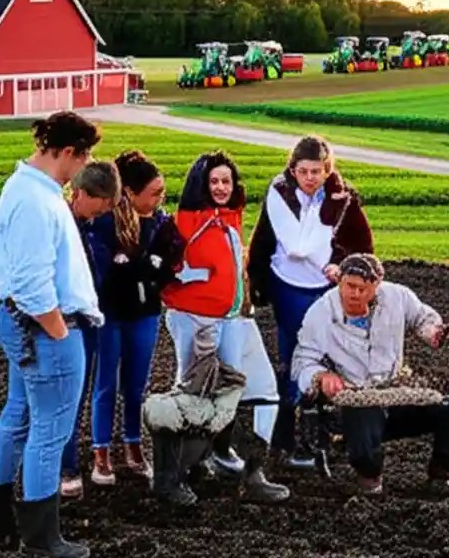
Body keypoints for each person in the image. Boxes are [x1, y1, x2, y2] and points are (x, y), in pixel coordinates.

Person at [0, 110, 102, 558]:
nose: (82, 168)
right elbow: (33, 280)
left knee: (18, 417)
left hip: (21, 323)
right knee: (49, 430)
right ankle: (41, 538)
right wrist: (59, 331)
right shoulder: (35, 199)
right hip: (45, 326)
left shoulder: (26, 187)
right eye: (83, 157)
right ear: (67, 151)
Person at [154, 150, 290, 505]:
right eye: (213, 181)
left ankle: (253, 471)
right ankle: (178, 473)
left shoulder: (230, 218)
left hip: (236, 319)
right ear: (200, 183)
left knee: (263, 390)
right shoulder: (184, 222)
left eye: (226, 181)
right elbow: (167, 272)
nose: (220, 187)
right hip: (198, 322)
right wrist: (192, 302)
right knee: (200, 394)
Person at [291, 254, 449, 496]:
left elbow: (422, 319)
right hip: (356, 397)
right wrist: (321, 376)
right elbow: (302, 360)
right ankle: (370, 480)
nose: (355, 294)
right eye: (350, 286)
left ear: (377, 285)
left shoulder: (397, 296)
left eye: (363, 288)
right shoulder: (321, 313)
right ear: (339, 282)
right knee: (361, 422)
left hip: (397, 390)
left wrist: (435, 332)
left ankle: (441, 477)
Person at [247, 135, 373, 469]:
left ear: (327, 170)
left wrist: (342, 264)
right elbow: (265, 239)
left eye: (317, 171)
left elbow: (362, 245)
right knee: (296, 353)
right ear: (293, 169)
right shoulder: (278, 195)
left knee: (333, 355)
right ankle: (287, 439)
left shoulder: (342, 200)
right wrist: (256, 281)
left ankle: (323, 436)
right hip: (288, 285)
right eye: (304, 171)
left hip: (325, 288)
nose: (310, 178)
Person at [84, 150, 169, 487]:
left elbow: (164, 262)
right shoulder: (105, 222)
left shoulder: (160, 223)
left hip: (144, 312)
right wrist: (141, 269)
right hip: (110, 313)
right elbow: (106, 270)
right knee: (105, 382)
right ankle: (101, 451)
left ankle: (133, 444)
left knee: (136, 385)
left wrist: (136, 268)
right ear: (131, 194)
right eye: (155, 192)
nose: (160, 199)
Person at [60, 161, 122, 500]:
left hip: (90, 318)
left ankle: (66, 461)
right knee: (66, 397)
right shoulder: (63, 224)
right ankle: (65, 465)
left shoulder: (97, 224)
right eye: (100, 204)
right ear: (80, 194)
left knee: (80, 394)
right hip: (67, 320)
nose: (103, 212)